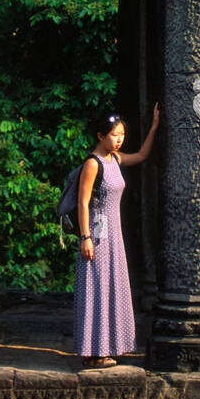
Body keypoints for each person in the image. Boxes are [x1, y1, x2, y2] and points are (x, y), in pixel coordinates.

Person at [75, 103, 160, 367]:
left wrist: (155, 125)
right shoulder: (93, 163)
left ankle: (105, 348)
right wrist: (85, 237)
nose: (119, 139)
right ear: (100, 136)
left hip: (115, 235)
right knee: (96, 288)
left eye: (121, 134)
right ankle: (94, 351)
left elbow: (143, 155)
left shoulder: (116, 159)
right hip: (98, 235)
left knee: (111, 288)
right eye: (114, 135)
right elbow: (82, 202)